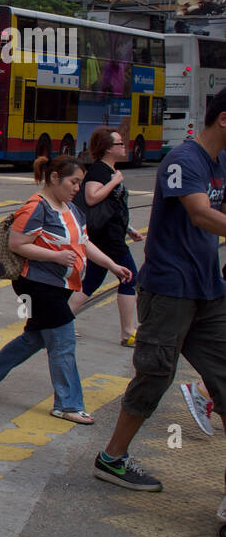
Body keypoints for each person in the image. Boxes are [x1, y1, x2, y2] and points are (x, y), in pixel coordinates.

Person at [94, 88, 226, 499]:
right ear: (223, 119)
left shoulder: (221, 162)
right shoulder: (183, 160)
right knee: (154, 375)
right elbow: (201, 213)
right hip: (170, 288)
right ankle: (113, 457)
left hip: (209, 288)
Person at [0, 154, 134, 424]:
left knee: (37, 336)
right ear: (54, 177)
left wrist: (113, 266)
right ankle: (68, 404)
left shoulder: (72, 209)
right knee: (63, 341)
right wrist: (56, 256)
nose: (77, 188)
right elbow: (17, 243)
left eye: (80, 183)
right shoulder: (36, 207)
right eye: (73, 181)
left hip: (59, 285)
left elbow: (84, 243)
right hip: (36, 284)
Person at [68, 127, 144, 345]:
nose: (124, 146)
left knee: (92, 280)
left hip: (111, 233)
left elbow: (112, 206)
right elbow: (92, 198)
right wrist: (114, 181)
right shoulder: (101, 171)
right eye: (120, 143)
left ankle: (61, 320)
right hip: (106, 237)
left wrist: (128, 228)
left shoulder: (109, 169)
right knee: (129, 276)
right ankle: (127, 332)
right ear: (108, 149)